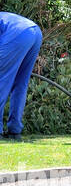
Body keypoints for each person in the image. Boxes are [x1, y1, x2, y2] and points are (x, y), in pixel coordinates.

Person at [0, 12, 42, 141]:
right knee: (20, 84)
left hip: (18, 33)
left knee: (2, 80)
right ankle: (15, 130)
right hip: (35, 32)